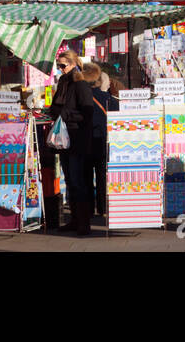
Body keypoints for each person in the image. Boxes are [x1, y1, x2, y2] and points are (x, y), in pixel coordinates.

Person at [48, 51, 99, 235]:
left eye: (63, 66)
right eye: (59, 66)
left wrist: (66, 114)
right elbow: (57, 105)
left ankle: (83, 223)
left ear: (73, 64)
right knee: (70, 180)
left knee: (78, 180)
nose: (61, 69)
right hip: (64, 139)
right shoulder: (63, 82)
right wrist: (53, 111)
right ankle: (75, 220)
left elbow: (87, 113)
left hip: (77, 138)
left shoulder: (80, 83)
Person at [90, 68, 121, 218]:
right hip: (103, 141)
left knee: (87, 175)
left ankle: (89, 208)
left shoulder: (86, 96)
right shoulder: (111, 101)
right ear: (104, 83)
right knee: (102, 176)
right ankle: (102, 208)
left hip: (87, 140)